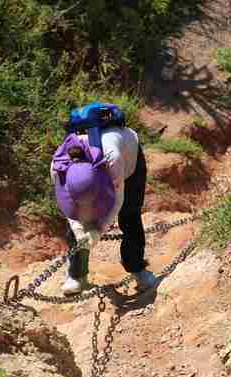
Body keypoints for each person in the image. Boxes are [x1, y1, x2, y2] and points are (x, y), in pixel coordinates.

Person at [51, 110, 159, 296]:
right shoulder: (57, 167)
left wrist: (99, 229)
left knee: (130, 214)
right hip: (101, 164)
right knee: (79, 225)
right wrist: (79, 230)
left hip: (128, 158)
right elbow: (68, 208)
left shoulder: (112, 158)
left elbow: (119, 201)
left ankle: (138, 269)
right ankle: (77, 276)